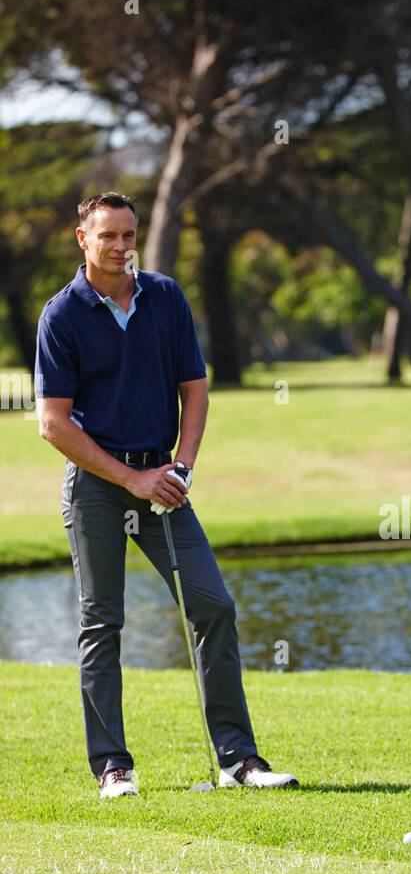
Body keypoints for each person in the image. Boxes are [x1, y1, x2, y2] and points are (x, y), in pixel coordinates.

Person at [35, 192, 298, 799]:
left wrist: (180, 467)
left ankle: (238, 761)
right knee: (102, 622)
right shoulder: (61, 315)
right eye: (109, 236)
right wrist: (129, 480)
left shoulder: (165, 297)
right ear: (83, 239)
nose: (122, 247)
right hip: (100, 489)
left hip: (164, 482)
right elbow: (53, 423)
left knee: (213, 606)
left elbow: (196, 392)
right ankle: (112, 768)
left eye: (130, 235)